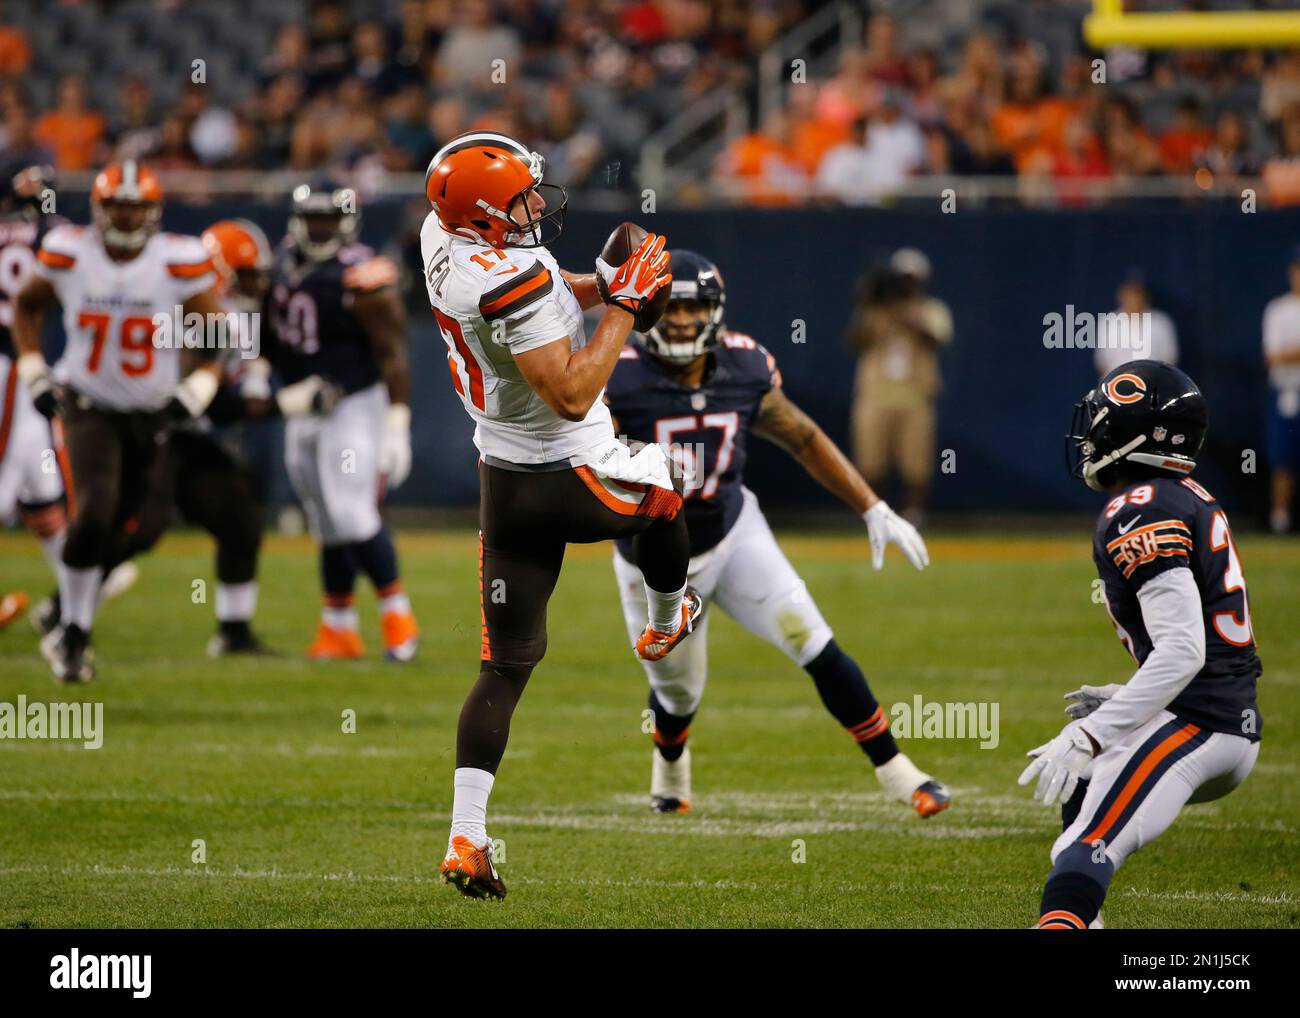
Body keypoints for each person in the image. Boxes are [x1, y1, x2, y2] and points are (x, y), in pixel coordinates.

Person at [420, 130, 700, 899]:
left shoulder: (441, 234)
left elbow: (545, 287)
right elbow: (573, 391)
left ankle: (466, 838)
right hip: (566, 469)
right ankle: (665, 620)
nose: (536, 205)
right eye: (518, 200)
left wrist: (599, 287)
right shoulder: (503, 280)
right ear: (481, 218)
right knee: (669, 490)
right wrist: (624, 310)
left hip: (503, 482)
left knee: (503, 668)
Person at [605, 250, 947, 817]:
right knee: (678, 692)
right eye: (671, 307)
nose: (684, 320)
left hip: (735, 531)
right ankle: (670, 767)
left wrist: (872, 506)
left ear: (715, 312)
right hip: (652, 559)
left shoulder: (745, 367)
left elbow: (803, 437)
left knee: (812, 638)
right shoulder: (618, 373)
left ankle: (897, 771)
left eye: (694, 308)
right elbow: (590, 468)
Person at [1024, 360, 1262, 929]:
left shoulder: (1142, 508)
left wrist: (1091, 731)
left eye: (1102, 423)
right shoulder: (1178, 493)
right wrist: (1126, 701)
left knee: (1083, 848)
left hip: (1205, 724)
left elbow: (1183, 651)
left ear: (1137, 433)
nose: (1091, 435)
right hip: (1214, 712)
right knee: (1082, 791)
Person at [13, 161, 226, 682]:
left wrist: (200, 385)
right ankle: (76, 635)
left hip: (150, 413)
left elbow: (218, 331)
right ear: (99, 209)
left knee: (140, 526)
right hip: (87, 405)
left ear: (153, 212)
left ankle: (65, 621)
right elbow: (26, 306)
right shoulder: (69, 251)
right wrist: (35, 369)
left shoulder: (178, 259)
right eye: (118, 206)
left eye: (136, 206)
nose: (127, 216)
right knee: (94, 512)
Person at [265, 184, 419, 662]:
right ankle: (339, 628)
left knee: (353, 512)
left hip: (354, 403)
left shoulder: (362, 274)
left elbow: (392, 353)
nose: (320, 227)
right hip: (303, 407)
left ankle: (398, 619)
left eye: (329, 218)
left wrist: (396, 425)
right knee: (326, 521)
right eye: (313, 218)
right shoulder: (280, 265)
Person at [0, 164, 66, 631]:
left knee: (39, 482)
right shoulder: (56, 234)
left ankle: (76, 586)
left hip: (19, 365)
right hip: (11, 360)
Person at [847, 247, 953, 526]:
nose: (906, 285)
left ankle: (914, 515)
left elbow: (936, 338)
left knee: (916, 463)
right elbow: (855, 341)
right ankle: (877, 515)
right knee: (871, 461)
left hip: (916, 396)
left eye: (911, 279)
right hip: (875, 395)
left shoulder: (931, 309)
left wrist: (906, 310)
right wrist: (869, 301)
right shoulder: (875, 311)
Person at [1261, 248, 1300, 534]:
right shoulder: (1279, 308)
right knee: (1282, 458)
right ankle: (1280, 519)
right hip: (1287, 390)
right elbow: (1272, 356)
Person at [1094, 271, 1178, 378]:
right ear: (1121, 295)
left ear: (1145, 296)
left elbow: (1170, 359)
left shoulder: (1161, 322)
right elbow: (1102, 361)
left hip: (1152, 383)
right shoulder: (1109, 321)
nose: (1133, 299)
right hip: (1117, 384)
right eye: (1129, 294)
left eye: (1137, 294)